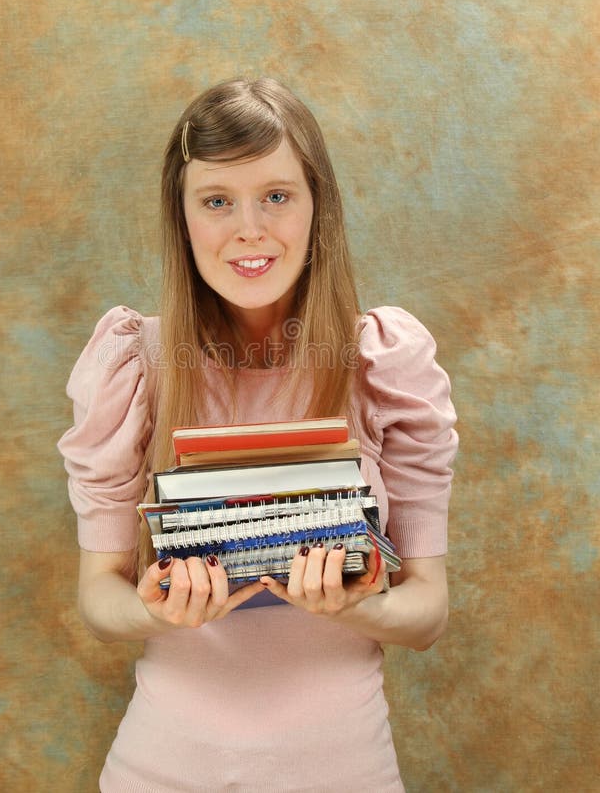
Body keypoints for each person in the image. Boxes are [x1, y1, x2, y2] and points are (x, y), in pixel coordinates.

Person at [57, 77, 458, 792]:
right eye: (217, 201)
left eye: (276, 195)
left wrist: (363, 604)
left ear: (317, 207)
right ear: (182, 218)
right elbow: (98, 599)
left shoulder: (384, 365)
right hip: (160, 769)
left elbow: (428, 612)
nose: (249, 228)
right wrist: (156, 610)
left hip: (345, 770)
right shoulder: (134, 366)